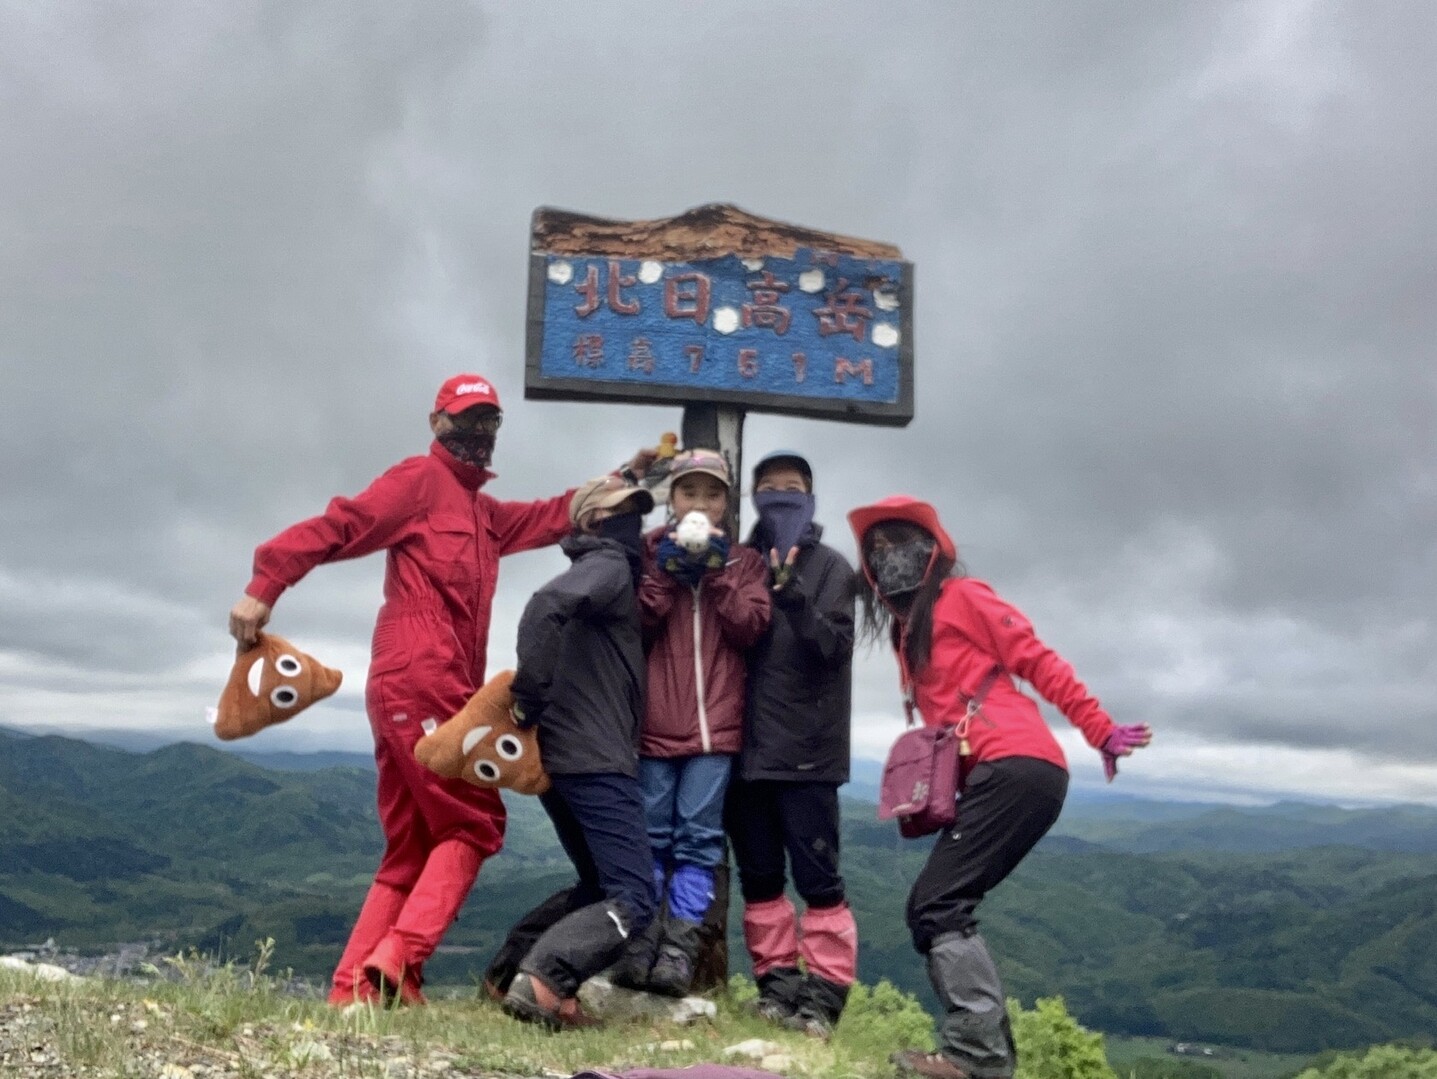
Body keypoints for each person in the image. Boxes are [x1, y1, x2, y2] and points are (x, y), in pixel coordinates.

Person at [227, 373, 649, 1008]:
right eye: (466, 418)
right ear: (436, 422)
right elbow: (343, 524)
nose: (479, 433)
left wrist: (620, 478)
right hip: (418, 678)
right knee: (475, 824)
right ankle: (396, 961)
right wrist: (266, 583)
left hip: (428, 686)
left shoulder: (482, 512)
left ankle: (353, 992)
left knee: (411, 848)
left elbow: (549, 514)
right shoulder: (418, 483)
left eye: (490, 421)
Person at [847, 496, 1152, 1079]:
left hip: (1020, 766)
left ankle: (975, 1058)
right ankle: (985, 1057)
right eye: (876, 550)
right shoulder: (907, 627)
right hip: (1001, 772)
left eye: (901, 543)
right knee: (937, 906)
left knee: (936, 905)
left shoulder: (964, 597)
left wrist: (1101, 731)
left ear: (933, 550)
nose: (889, 558)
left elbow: (1038, 661)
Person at [499, 474, 658, 1030]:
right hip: (596, 758)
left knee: (597, 885)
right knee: (635, 898)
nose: (633, 523)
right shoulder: (610, 564)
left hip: (563, 759)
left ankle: (508, 976)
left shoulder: (600, 570)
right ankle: (545, 978)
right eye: (621, 512)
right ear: (591, 521)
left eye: (640, 512)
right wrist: (528, 694)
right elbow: (545, 605)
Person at [616, 448, 771, 996]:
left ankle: (679, 951)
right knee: (650, 837)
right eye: (689, 493)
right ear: (672, 499)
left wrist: (718, 574)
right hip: (655, 725)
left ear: (727, 504)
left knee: (700, 841)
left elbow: (751, 626)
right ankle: (639, 942)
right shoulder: (648, 551)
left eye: (711, 494)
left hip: (715, 732)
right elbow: (635, 625)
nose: (699, 503)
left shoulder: (746, 562)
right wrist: (667, 574)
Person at [725, 450, 857, 1039]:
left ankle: (824, 1000)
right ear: (753, 496)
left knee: (819, 882)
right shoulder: (736, 561)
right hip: (743, 753)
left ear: (811, 496)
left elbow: (835, 649)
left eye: (793, 487)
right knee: (759, 880)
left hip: (809, 753)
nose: (781, 495)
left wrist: (796, 600)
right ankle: (776, 989)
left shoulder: (831, 567)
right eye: (769, 487)